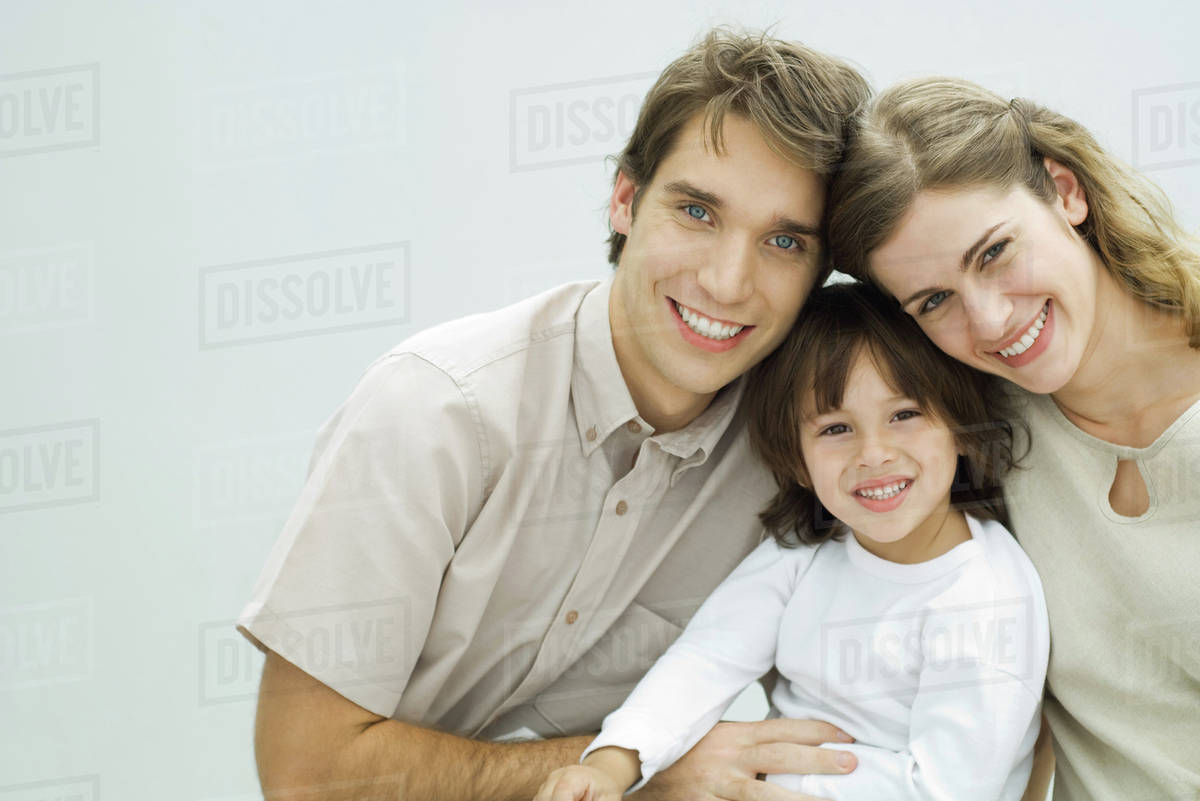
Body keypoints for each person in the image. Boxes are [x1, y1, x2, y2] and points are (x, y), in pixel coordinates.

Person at [236, 29, 873, 801]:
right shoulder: (435, 412)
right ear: (626, 199)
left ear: (821, 272)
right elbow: (305, 774)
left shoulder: (806, 445)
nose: (728, 280)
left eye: (782, 240)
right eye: (698, 211)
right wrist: (643, 762)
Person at [825, 77, 1200, 801]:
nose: (991, 320)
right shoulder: (969, 430)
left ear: (1065, 192)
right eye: (934, 301)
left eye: (994, 252)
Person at [533, 281, 1050, 801]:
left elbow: (949, 790)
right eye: (835, 429)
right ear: (797, 463)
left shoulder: (984, 595)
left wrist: (769, 780)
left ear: (960, 428)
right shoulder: (804, 553)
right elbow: (707, 659)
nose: (874, 453)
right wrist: (610, 764)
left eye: (904, 416)